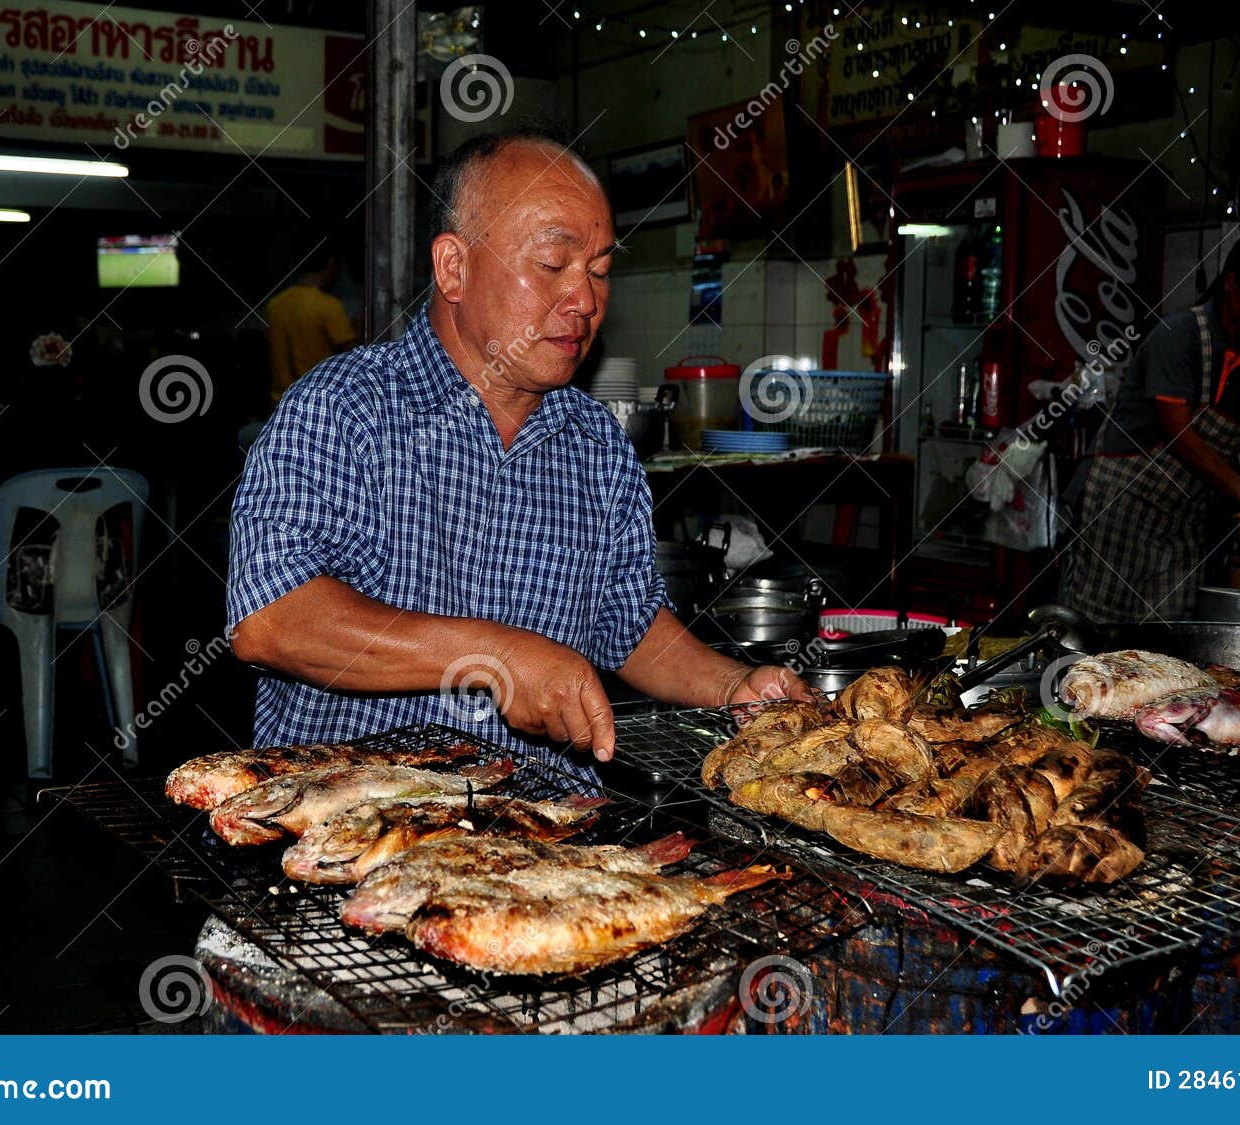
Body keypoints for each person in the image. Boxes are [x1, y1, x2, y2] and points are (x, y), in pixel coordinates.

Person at [227, 129, 813, 787]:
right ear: (454, 267)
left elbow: (628, 623)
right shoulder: (344, 408)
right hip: (360, 828)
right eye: (553, 264)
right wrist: (497, 656)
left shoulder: (596, 443)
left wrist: (733, 685)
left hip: (542, 834)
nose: (585, 300)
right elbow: (272, 621)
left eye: (599, 271)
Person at [1062, 223, 1240, 623]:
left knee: (1167, 636)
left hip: (1182, 522)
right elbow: (1179, 435)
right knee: (1099, 633)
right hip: (1121, 507)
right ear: (1232, 283)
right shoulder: (1179, 336)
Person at [264, 240, 358, 405]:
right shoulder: (329, 306)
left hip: (281, 404)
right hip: (317, 404)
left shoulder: (274, 305)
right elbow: (353, 360)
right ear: (331, 263)